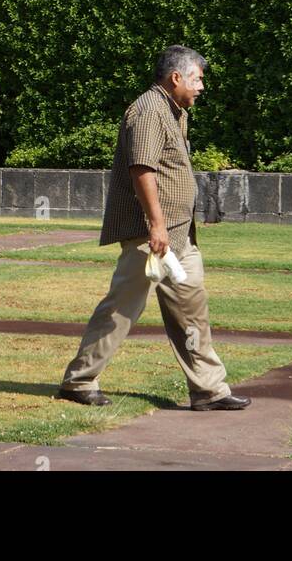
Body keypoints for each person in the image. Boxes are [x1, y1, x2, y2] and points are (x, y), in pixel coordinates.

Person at [60, 45, 250, 411]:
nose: (201, 87)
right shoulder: (147, 110)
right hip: (153, 236)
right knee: (122, 308)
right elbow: (141, 169)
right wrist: (156, 226)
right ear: (175, 77)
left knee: (192, 308)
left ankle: (209, 390)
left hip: (179, 234)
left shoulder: (173, 110)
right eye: (197, 79)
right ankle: (79, 380)